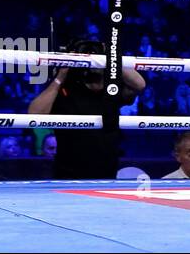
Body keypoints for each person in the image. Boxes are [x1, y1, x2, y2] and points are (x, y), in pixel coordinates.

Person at [28, 41, 147, 179]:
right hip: (68, 174)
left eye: (96, 58)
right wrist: (62, 73)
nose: (93, 63)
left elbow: (139, 84)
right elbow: (34, 114)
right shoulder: (66, 89)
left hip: (106, 173)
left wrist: (109, 56)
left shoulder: (112, 90)